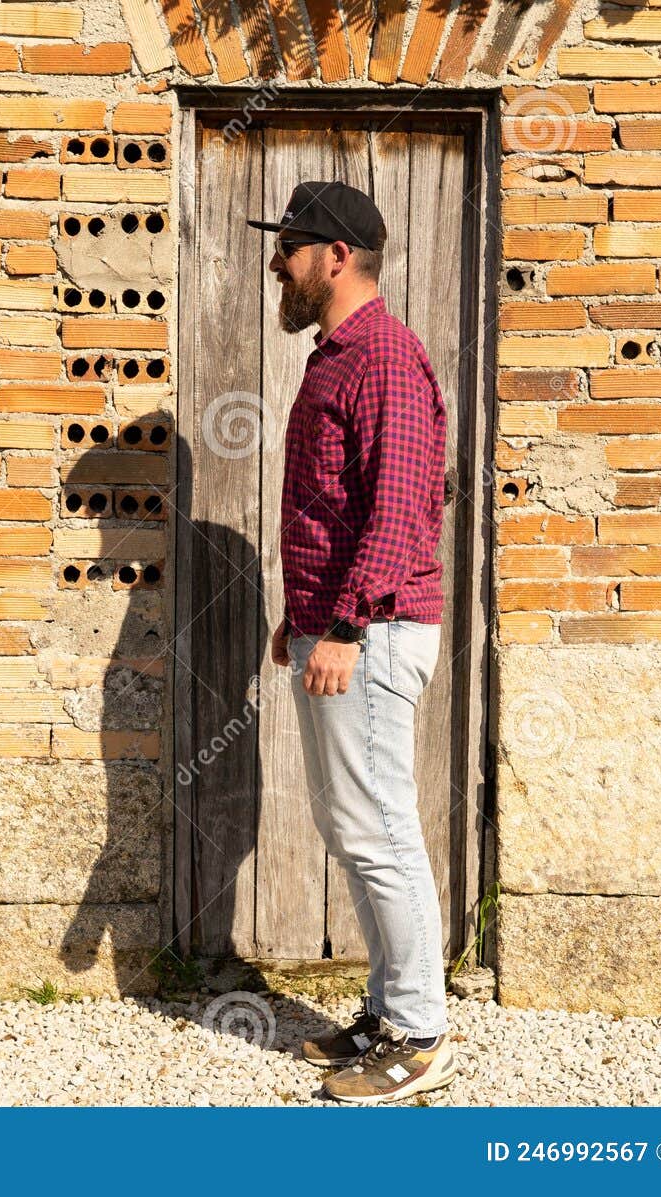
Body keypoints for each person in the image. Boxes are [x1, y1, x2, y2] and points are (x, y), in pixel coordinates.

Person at [248, 180, 454, 1103]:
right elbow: (334, 507)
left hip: (371, 632)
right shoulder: (335, 357)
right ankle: (386, 1005)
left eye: (289, 246)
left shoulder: (386, 358)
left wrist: (344, 623)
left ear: (335, 256)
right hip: (338, 629)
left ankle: (420, 1032)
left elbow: (403, 503)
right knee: (349, 823)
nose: (276, 263)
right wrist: (303, 617)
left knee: (379, 828)